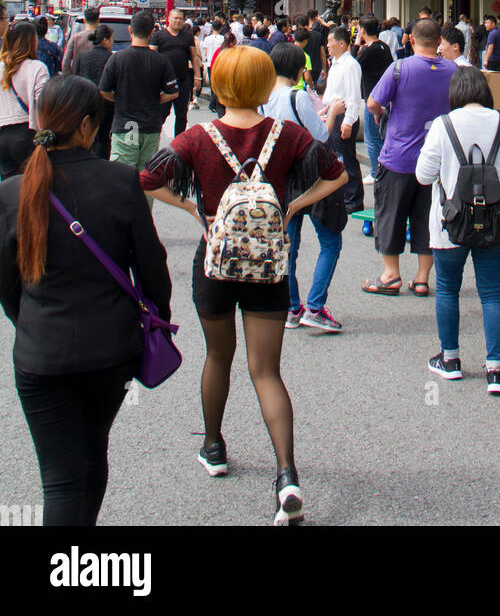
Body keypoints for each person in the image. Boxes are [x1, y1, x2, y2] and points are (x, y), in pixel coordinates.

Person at [140, 46, 347, 524]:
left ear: (221, 83)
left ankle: (213, 447)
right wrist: (292, 206)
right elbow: (334, 174)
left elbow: (148, 178)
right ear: (262, 84)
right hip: (268, 266)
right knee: (266, 371)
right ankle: (288, 475)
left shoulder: (197, 136)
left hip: (214, 264)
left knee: (217, 356)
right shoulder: (287, 134)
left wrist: (192, 208)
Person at [0, 75, 171, 525]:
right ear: (89, 126)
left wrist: (30, 323)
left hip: (41, 354)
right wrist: (157, 321)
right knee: (92, 456)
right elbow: (152, 265)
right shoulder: (119, 180)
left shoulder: (13, 192)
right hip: (110, 349)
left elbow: (7, 283)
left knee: (61, 477)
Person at [416, 66, 500, 393]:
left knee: (448, 288)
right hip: (496, 222)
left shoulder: (442, 125)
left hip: (450, 222)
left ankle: (450, 360)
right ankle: (497, 370)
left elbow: (423, 175)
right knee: (492, 292)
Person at [365, 18, 454, 296]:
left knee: (390, 214)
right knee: (427, 218)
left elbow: (372, 103)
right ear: (440, 41)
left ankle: (391, 275)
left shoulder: (399, 68)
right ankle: (422, 278)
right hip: (437, 160)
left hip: (398, 157)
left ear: (411, 40)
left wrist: (382, 115)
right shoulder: (453, 70)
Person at [263, 43, 347, 332]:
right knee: (331, 243)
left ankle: (291, 307)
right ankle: (314, 307)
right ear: (300, 70)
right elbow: (321, 135)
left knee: (289, 246)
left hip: (280, 178)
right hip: (310, 176)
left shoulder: (262, 99)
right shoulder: (296, 97)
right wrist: (333, 112)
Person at [99, 11, 178, 171]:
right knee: (147, 175)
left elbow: (103, 90)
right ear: (151, 32)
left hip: (125, 126)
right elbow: (173, 93)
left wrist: (119, 98)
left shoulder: (117, 58)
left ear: (130, 30)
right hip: (151, 126)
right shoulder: (161, 60)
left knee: (123, 176)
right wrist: (156, 99)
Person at [321, 26, 364, 213]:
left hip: (343, 116)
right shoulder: (337, 63)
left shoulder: (350, 65)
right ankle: (341, 195)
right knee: (335, 156)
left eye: (330, 41)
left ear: (340, 43)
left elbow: (353, 96)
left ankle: (353, 200)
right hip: (332, 113)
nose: (327, 45)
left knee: (346, 158)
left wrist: (348, 120)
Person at [0, 23, 49, 180]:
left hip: (2, 136)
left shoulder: (1, 66)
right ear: (32, 41)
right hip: (26, 135)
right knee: (31, 187)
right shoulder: (37, 68)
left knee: (8, 191)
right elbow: (43, 105)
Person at [150, 6, 201, 137]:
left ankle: (178, 144)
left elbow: (194, 56)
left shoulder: (187, 37)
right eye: (175, 18)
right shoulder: (158, 36)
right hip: (163, 83)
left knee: (181, 114)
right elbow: (150, 56)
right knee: (162, 114)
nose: (178, 21)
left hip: (183, 81)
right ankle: (155, 139)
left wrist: (198, 77)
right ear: (168, 19)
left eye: (180, 19)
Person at [356, 18, 393, 184]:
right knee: (380, 136)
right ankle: (381, 170)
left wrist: (356, 44)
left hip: (373, 98)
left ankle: (375, 171)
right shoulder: (383, 47)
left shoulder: (369, 50)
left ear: (363, 30)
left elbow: (354, 65)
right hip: (384, 97)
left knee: (371, 138)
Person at [72, 25, 115, 159]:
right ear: (105, 40)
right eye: (112, 39)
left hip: (85, 103)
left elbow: (76, 77)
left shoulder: (83, 56)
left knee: (86, 136)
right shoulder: (111, 58)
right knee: (104, 138)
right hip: (106, 104)